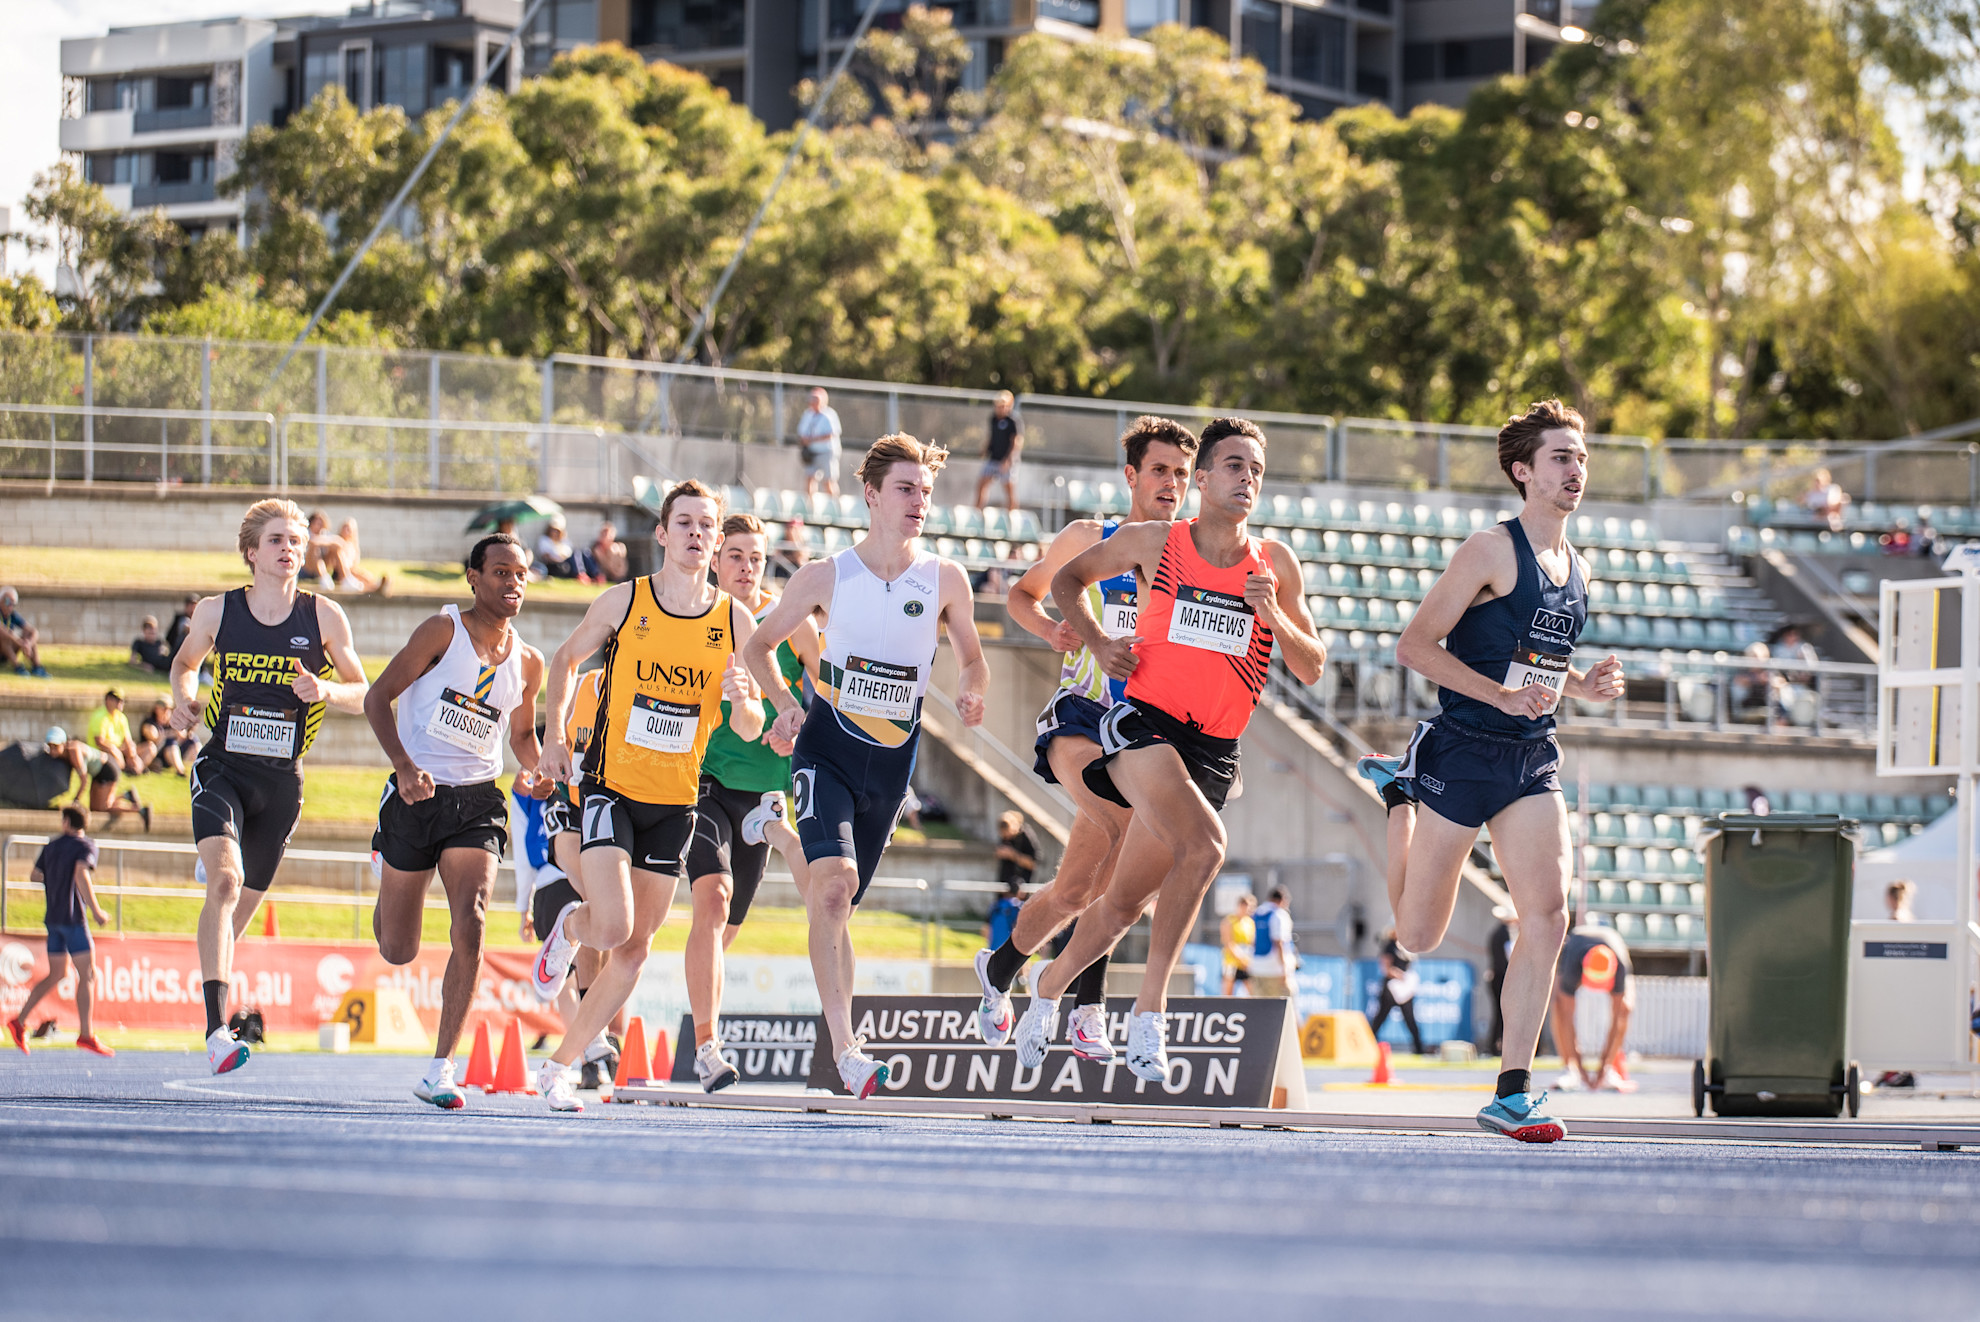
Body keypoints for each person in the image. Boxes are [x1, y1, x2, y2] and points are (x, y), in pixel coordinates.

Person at [1019, 417, 1326, 1080]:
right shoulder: (1157, 541)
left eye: (1256, 470)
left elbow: (1312, 666)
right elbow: (1068, 581)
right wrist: (1098, 642)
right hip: (1144, 726)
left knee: (1122, 905)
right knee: (1207, 847)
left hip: (1215, 750)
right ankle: (1149, 1016)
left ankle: (1048, 985)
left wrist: (1273, 615)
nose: (1247, 480)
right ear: (1205, 479)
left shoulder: (1274, 565)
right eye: (1234, 466)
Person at [1356, 399, 1626, 1144]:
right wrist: (1501, 696)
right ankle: (1399, 794)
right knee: (1418, 937)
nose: (1575, 470)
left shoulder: (1580, 568)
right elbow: (1415, 646)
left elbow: (1538, 662)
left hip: (1531, 755)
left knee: (1550, 916)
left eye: (1581, 458)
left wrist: (1582, 686)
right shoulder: (1488, 550)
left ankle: (1513, 1090)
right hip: (1465, 749)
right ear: (1523, 471)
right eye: (1560, 458)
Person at [745, 433, 989, 1099]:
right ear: (871, 495)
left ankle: (776, 833)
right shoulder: (825, 576)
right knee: (833, 890)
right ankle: (846, 1050)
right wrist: (785, 706)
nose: (919, 502)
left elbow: (973, 657)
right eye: (906, 489)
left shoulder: (944, 579)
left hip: (891, 765)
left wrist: (973, 688)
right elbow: (758, 646)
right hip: (826, 748)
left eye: (926, 492)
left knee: (840, 902)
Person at [530, 480, 762, 1113]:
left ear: (716, 541)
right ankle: (568, 928)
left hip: (676, 804)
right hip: (612, 788)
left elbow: (749, 727)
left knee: (633, 951)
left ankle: (560, 1067)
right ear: (662, 533)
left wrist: (745, 701)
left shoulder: (734, 621)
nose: (696, 533)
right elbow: (564, 660)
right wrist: (555, 736)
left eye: (706, 525)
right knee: (612, 925)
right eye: (684, 522)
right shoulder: (624, 601)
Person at [976, 415, 1198, 1064]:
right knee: (1125, 823)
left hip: (1145, 731)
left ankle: (1001, 966)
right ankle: (1087, 1007)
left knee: (1078, 891)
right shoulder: (1087, 538)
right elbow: (1023, 596)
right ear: (1131, 476)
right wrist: (1053, 632)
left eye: (1182, 474)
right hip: (1081, 715)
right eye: (1159, 470)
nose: (1171, 483)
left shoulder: (1192, 554)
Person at [170, 497, 371, 1075]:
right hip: (223, 768)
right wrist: (183, 699)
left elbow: (365, 692)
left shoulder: (325, 617)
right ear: (252, 552)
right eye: (278, 539)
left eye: (297, 540)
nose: (290, 548)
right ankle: (216, 1032)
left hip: (282, 785)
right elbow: (184, 664)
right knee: (226, 883)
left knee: (233, 917)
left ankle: (221, 881)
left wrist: (326, 690)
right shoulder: (218, 611)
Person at [363, 533, 546, 1110]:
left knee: (472, 921)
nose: (512, 583)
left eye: (520, 574)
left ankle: (441, 1068)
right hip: (416, 796)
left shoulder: (529, 662)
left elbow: (522, 735)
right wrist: (403, 766)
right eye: (500, 572)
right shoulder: (442, 632)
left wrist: (536, 768)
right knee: (398, 949)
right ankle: (387, 860)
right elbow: (376, 698)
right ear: (474, 577)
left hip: (478, 803)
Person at [681, 512, 821, 1092]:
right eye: (735, 556)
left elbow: (828, 701)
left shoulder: (794, 624)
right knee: (712, 901)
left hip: (766, 796)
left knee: (727, 929)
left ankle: (698, 1021)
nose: (746, 567)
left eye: (756, 558)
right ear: (716, 558)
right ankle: (707, 1047)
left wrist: (797, 725)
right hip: (704, 783)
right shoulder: (697, 617)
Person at [5, 806, 115, 1057]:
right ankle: (86, 1034)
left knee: (56, 974)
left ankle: (19, 1021)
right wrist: (96, 911)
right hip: (73, 918)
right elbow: (81, 874)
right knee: (88, 974)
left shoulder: (52, 846)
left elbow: (35, 875)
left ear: (66, 821)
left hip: (53, 919)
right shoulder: (85, 845)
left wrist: (56, 878)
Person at [1550, 922, 1635, 1092]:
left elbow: (1618, 1017)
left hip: (1613, 943)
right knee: (1558, 1005)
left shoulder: (1619, 966)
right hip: (1575, 945)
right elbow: (1566, 1015)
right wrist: (1581, 1069)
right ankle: (1570, 1069)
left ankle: (1610, 1070)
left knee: (1625, 1008)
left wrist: (1603, 1067)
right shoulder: (1572, 965)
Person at [44, 727, 148, 828]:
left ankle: (140, 810)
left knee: (103, 808)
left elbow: (84, 781)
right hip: (98, 773)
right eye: (50, 747)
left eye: (55, 746)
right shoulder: (65, 753)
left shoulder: (73, 751)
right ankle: (126, 795)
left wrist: (76, 800)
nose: (53, 751)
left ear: (63, 743)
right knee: (94, 808)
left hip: (107, 769)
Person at [1368, 927, 1426, 1055]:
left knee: (1410, 1019)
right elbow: (1386, 968)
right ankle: (1367, 1044)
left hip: (1404, 989)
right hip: (1391, 988)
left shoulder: (1406, 947)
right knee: (1380, 1018)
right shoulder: (1390, 946)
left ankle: (1419, 1049)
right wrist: (1400, 975)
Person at [1249, 885, 1300, 1001]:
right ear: (1282, 900)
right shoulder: (1279, 915)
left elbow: (1252, 942)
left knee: (1260, 1005)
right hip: (1275, 970)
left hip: (1256, 967)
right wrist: (1284, 970)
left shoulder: (1256, 914)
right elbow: (1279, 943)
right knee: (1285, 1004)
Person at [975, 391, 1023, 511]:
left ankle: (1012, 512)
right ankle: (978, 511)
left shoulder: (1013, 421)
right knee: (982, 483)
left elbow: (1016, 441)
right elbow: (991, 437)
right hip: (994, 458)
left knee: (1009, 488)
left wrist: (1008, 459)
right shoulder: (993, 419)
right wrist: (985, 449)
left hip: (1007, 460)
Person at [797, 387, 843, 500]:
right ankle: (810, 505)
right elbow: (801, 431)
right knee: (810, 478)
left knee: (828, 481)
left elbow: (832, 434)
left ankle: (834, 503)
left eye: (816, 399)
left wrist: (812, 439)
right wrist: (804, 440)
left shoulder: (829, 414)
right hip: (812, 452)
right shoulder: (808, 414)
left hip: (826, 451)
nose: (813, 402)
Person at [88, 688, 143, 780]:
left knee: (148, 748)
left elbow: (128, 740)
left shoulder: (121, 717)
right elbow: (100, 742)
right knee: (114, 751)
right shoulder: (100, 716)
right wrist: (116, 751)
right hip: (101, 752)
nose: (120, 703)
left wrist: (132, 754)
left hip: (118, 749)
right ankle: (123, 769)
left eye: (122, 701)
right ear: (108, 700)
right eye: (117, 700)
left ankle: (133, 769)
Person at [1485, 906, 1517, 1056]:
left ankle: (1494, 1045)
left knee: (1498, 1013)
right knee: (1502, 1013)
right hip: (1502, 976)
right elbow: (1509, 955)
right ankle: (1497, 1046)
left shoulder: (1496, 933)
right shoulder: (1505, 934)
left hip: (1497, 975)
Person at [137, 700, 195, 776]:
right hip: (156, 753)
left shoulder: (172, 722)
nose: (167, 712)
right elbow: (153, 736)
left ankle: (197, 768)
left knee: (193, 740)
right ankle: (180, 770)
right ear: (157, 709)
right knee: (170, 742)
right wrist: (171, 733)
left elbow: (182, 735)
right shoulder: (150, 721)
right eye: (164, 709)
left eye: (169, 709)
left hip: (172, 753)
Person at [0, 587, 48, 677]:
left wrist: (28, 644)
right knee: (4, 636)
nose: (10, 606)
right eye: (7, 602)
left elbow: (33, 631)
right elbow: (3, 631)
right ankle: (18, 666)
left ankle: (37, 667)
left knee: (28, 635)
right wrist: (21, 643)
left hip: (8, 651)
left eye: (13, 603)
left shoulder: (13, 615)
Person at [1220, 892, 1256, 996]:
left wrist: (1248, 961)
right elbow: (1228, 944)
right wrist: (1241, 959)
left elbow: (1252, 943)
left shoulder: (1250, 923)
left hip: (1246, 963)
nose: (1249, 910)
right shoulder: (1229, 921)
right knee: (1228, 993)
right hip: (1231, 962)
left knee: (1253, 992)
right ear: (1241, 906)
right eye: (1247, 906)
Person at [336, 518, 385, 593]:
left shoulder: (352, 546)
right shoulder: (338, 543)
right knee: (358, 575)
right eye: (344, 528)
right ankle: (374, 587)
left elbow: (354, 564)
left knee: (364, 574)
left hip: (351, 571)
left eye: (348, 529)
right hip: (340, 573)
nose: (346, 531)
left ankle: (374, 586)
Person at [1801, 467, 1849, 532]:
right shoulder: (1811, 493)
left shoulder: (1832, 489)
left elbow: (1833, 505)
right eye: (1815, 481)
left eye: (1818, 480)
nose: (1816, 483)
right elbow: (1804, 504)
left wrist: (1822, 508)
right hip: (1812, 522)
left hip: (1829, 522)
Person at [985, 879, 1023, 950]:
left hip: (993, 948)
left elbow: (986, 928)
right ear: (1019, 892)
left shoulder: (995, 905)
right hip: (1009, 948)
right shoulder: (1018, 907)